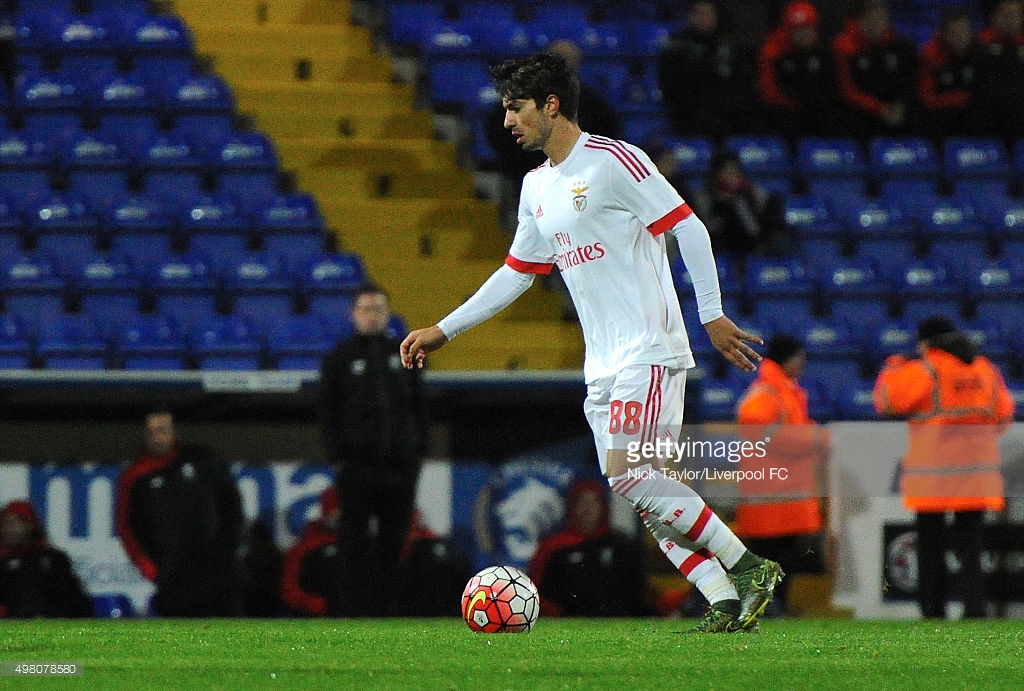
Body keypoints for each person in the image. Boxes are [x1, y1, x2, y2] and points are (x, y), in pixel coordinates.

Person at [401, 51, 784, 634]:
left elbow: (688, 226)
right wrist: (443, 329)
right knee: (644, 488)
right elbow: (518, 272)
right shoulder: (535, 187)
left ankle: (749, 567)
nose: (507, 123)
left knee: (633, 476)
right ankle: (723, 599)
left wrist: (711, 315)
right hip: (602, 364)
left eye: (515, 109)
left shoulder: (612, 161)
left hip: (648, 351)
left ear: (551, 106)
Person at [873, 315, 1015, 619]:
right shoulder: (985, 369)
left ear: (926, 342)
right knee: (971, 548)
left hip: (933, 475)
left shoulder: (925, 368)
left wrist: (893, 367)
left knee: (930, 547)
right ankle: (975, 612)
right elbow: (1003, 415)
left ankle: (933, 612)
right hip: (976, 474)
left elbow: (887, 403)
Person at [320, 284, 425, 616]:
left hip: (399, 467)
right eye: (365, 309)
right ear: (353, 314)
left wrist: (415, 454)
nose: (372, 315)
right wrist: (337, 458)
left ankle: (390, 610)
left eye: (378, 309)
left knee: (394, 541)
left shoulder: (406, 353)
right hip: (356, 468)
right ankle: (350, 610)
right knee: (352, 541)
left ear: (388, 314)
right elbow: (327, 411)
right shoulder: (339, 359)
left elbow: (421, 408)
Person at [734, 334, 831, 616]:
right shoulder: (766, 395)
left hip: (782, 498)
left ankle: (775, 606)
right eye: (799, 357)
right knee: (768, 557)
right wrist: (814, 440)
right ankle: (765, 607)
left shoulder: (784, 392)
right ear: (789, 358)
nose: (802, 363)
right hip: (770, 496)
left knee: (783, 557)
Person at [116, 410, 246, 617]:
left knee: (231, 636)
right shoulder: (135, 476)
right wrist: (151, 569)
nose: (158, 438)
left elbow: (231, 503)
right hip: (174, 578)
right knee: (183, 643)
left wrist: (229, 548)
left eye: (163, 430)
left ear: (173, 431)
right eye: (152, 432)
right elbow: (126, 527)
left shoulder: (202, 460)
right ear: (144, 435)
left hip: (219, 569)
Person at [486, 39, 623, 233]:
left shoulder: (593, 103)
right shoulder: (522, 98)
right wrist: (519, 164)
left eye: (568, 63)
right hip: (524, 178)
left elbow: (610, 136)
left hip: (583, 184)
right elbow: (498, 130)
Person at [528, 478, 649, 617]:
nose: (588, 508)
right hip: (565, 624)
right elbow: (534, 591)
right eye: (582, 502)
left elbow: (637, 593)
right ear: (572, 506)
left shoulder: (620, 544)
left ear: (603, 506)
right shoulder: (553, 547)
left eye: (593, 501)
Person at [657, 0, 759, 138]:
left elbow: (742, 80)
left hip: (729, 111)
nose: (704, 18)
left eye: (708, 13)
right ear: (691, 16)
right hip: (690, 111)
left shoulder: (729, 43)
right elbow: (669, 84)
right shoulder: (678, 46)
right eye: (700, 13)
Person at [757, 1, 848, 142]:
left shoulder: (826, 54)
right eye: (798, 29)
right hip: (789, 113)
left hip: (820, 113)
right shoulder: (775, 54)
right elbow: (770, 94)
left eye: (807, 28)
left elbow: (834, 89)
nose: (804, 34)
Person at [832, 0, 920, 139]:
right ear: (861, 21)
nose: (876, 24)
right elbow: (847, 91)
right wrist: (879, 108)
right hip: (863, 113)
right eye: (871, 19)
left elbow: (909, 83)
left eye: (880, 19)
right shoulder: (845, 47)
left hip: (895, 110)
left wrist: (901, 106)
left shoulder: (900, 47)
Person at [689, 149, 789, 262]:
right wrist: (724, 202)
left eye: (734, 170)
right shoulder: (705, 194)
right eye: (727, 170)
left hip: (753, 238)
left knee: (775, 200)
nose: (732, 175)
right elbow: (708, 223)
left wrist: (742, 198)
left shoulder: (748, 190)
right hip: (721, 241)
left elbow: (763, 206)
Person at [0, 500, 93, 619]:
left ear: (28, 525)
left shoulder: (55, 560)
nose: (7, 530)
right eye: (5, 525)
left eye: (12, 524)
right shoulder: (3, 563)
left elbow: (75, 600)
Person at [918, 8, 984, 141]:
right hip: (942, 115)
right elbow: (927, 97)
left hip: (974, 112)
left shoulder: (982, 53)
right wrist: (959, 99)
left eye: (964, 31)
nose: (960, 36)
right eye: (954, 32)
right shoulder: (930, 56)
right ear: (944, 34)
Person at [280, 486, 340, 616]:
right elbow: (289, 589)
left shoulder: (357, 546)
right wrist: (318, 605)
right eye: (335, 509)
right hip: (314, 618)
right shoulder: (305, 547)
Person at [977, 0, 1024, 143]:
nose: (1011, 21)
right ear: (994, 18)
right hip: (991, 117)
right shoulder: (979, 46)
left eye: (1015, 16)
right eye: (1005, 15)